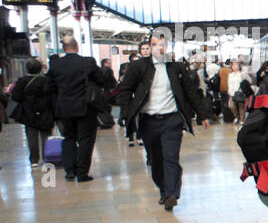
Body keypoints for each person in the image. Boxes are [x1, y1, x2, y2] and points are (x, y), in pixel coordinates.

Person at [117, 32, 211, 209]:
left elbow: (190, 92)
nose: (159, 48)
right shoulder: (138, 67)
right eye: (154, 45)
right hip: (148, 121)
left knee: (171, 158)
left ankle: (171, 194)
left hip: (171, 120)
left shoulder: (176, 67)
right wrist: (127, 113)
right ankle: (163, 189)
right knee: (156, 160)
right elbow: (125, 90)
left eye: (162, 45)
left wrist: (202, 114)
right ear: (150, 47)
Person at [48, 33, 114, 183]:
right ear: (77, 47)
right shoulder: (87, 62)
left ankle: (70, 171)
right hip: (86, 107)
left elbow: (49, 85)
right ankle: (82, 173)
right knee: (86, 139)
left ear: (63, 49)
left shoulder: (56, 64)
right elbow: (102, 80)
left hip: (65, 108)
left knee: (69, 138)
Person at [10, 59, 55, 166]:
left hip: (28, 111)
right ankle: (47, 158)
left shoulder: (22, 81)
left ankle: (34, 160)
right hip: (46, 111)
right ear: (40, 68)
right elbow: (53, 97)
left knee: (31, 136)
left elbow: (15, 97)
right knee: (46, 135)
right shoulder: (47, 81)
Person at [229, 60, 252, 125]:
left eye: (236, 65)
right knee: (231, 106)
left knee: (241, 106)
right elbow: (229, 83)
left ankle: (242, 119)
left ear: (239, 66)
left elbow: (249, 81)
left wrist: (244, 87)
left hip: (240, 92)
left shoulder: (242, 74)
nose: (234, 66)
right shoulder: (231, 75)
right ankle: (236, 116)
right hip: (232, 93)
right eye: (233, 65)